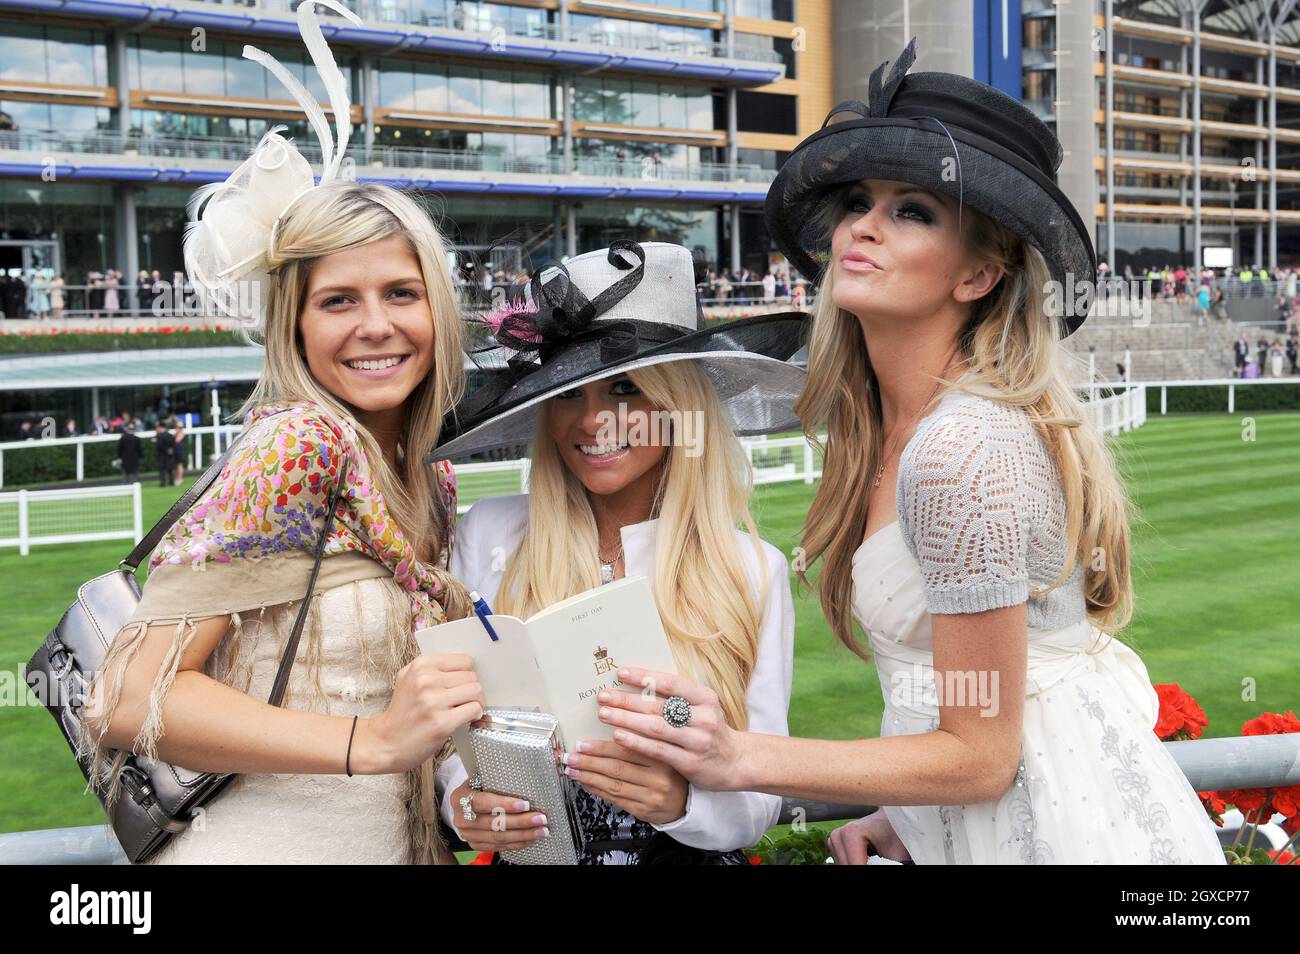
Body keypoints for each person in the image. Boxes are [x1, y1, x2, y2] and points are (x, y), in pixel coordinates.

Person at [596, 38, 1225, 865]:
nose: (862, 226)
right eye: (860, 201)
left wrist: (737, 754)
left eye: (913, 211)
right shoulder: (904, 430)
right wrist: (906, 814)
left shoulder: (960, 450)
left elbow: (984, 751)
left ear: (978, 276)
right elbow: (984, 709)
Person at [82, 0, 482, 865]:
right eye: (339, 300)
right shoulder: (298, 446)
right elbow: (124, 696)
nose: (376, 325)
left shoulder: (427, 475)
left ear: (438, 312)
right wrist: (368, 743)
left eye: (401, 294)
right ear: (294, 327)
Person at [433, 242, 807, 864]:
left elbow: (762, 792)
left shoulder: (752, 568)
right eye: (567, 395)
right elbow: (451, 740)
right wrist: (464, 805)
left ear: (678, 405)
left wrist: (682, 803)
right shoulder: (492, 533)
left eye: (627, 389)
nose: (592, 422)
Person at [154, 419, 174, 486]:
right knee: (170, 469)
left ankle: (163, 483)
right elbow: (173, 444)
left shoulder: (159, 436)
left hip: (162, 454)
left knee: (162, 469)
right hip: (169, 454)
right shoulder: (170, 435)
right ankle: (171, 482)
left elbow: (159, 446)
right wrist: (170, 449)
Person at [171, 415, 186, 484]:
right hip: (175, 450)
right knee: (176, 465)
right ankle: (177, 478)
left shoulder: (181, 434)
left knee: (179, 465)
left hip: (179, 451)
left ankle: (180, 478)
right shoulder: (177, 433)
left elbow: (177, 441)